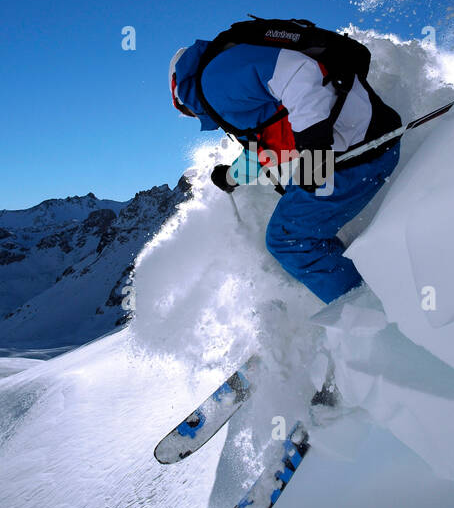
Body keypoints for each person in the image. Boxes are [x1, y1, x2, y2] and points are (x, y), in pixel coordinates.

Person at [168, 22, 402, 303]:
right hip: (363, 146)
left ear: (179, 95)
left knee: (288, 241)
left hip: (360, 151)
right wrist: (231, 177)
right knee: (298, 217)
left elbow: (296, 71)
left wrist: (315, 147)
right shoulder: (225, 87)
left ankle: (369, 318)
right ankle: (369, 280)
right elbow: (267, 148)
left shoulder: (214, 80)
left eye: (185, 114)